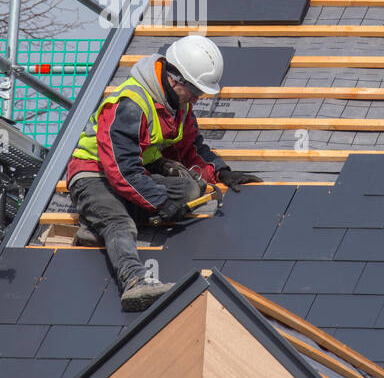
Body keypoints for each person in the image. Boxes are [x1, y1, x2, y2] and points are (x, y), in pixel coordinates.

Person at [67, 34, 261, 312]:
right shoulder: (129, 105)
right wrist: (160, 202)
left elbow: (192, 148)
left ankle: (98, 226)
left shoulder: (178, 106)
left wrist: (221, 173)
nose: (198, 97)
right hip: (93, 176)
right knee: (120, 223)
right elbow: (121, 171)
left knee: (190, 189)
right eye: (195, 89)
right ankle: (133, 280)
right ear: (174, 80)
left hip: (134, 176)